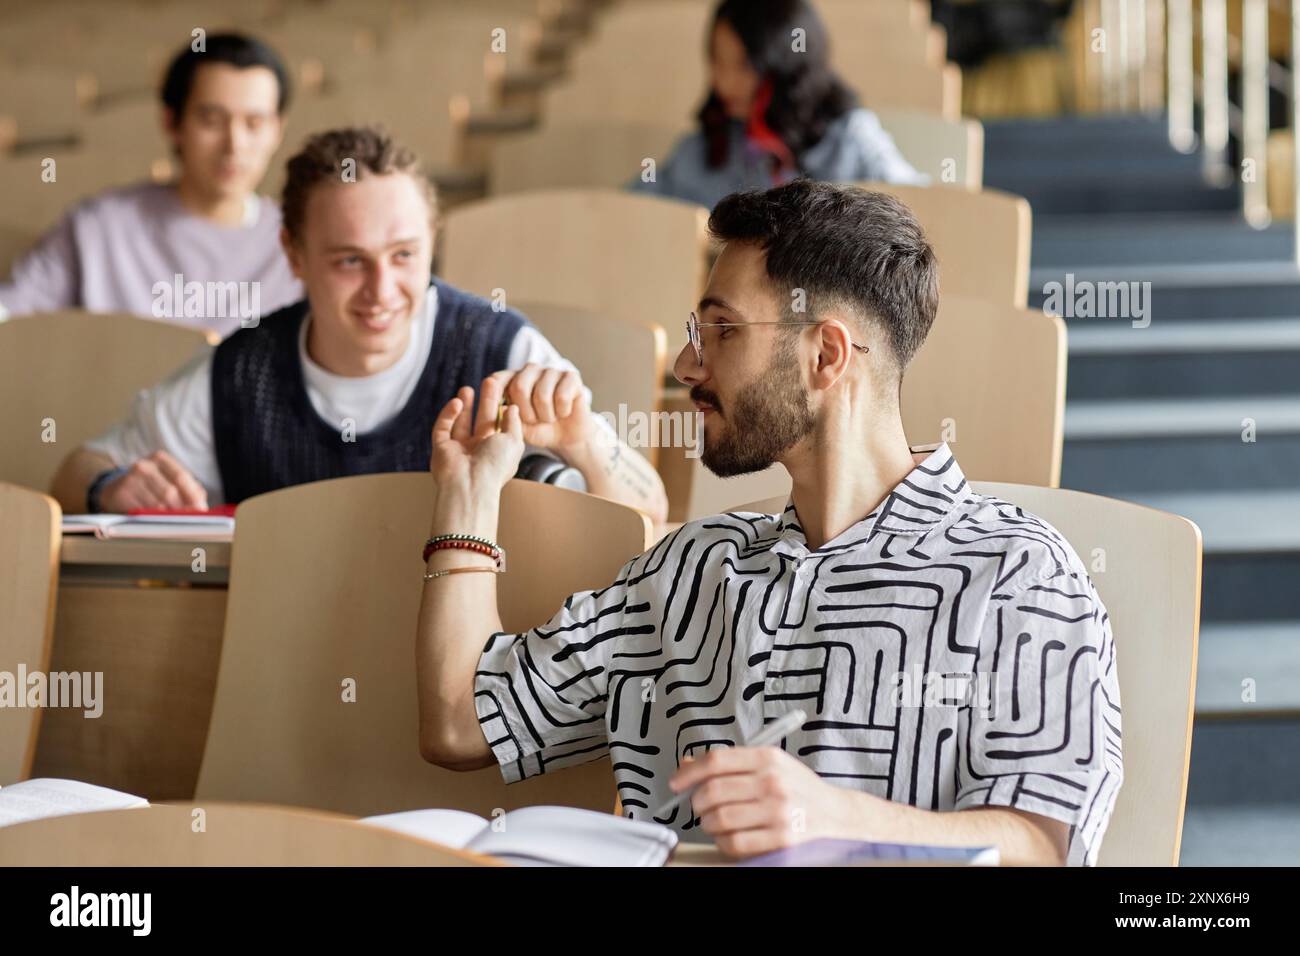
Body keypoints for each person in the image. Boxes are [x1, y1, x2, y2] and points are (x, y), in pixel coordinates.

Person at [415, 179, 1122, 867]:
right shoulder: (692, 568)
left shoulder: (1019, 573)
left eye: (721, 329)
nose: (689, 365)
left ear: (826, 355)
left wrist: (832, 820)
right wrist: (471, 493)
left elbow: (1042, 848)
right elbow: (461, 723)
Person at [48, 126, 668, 525]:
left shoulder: (499, 348)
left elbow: (649, 511)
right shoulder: (241, 373)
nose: (381, 291)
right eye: (349, 261)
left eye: (404, 256)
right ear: (294, 254)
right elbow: (73, 473)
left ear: (432, 244)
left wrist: (589, 445)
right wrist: (108, 487)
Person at [0, 33, 302, 331]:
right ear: (172, 123)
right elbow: (12, 312)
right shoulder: (100, 228)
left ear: (278, 131)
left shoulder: (299, 247)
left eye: (254, 124)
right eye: (211, 121)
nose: (234, 145)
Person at [630, 0, 928, 209]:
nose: (725, 83)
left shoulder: (851, 140)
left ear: (788, 68)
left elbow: (923, 208)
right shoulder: (705, 148)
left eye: (745, 66)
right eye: (717, 62)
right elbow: (635, 209)